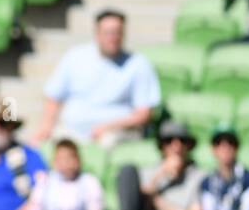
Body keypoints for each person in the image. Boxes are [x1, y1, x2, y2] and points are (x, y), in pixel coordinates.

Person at [32, 10, 161, 148]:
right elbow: (53, 97)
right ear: (97, 33)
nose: (113, 37)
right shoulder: (75, 57)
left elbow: (144, 113)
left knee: (106, 143)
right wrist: (45, 128)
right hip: (72, 131)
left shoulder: (138, 64)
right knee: (43, 147)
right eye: (108, 32)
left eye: (117, 32)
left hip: (115, 134)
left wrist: (107, 127)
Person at [117, 121, 204, 210]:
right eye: (169, 141)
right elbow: (139, 205)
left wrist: (158, 202)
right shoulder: (147, 172)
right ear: (161, 145)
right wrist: (160, 174)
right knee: (127, 172)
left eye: (182, 140)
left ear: (189, 145)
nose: (176, 146)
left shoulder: (199, 176)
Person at [19, 139, 104, 210]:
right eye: (60, 158)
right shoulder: (45, 180)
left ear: (78, 160)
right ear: (54, 161)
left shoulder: (90, 181)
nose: (65, 163)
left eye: (69, 158)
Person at [199, 127, 249, 210]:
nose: (225, 148)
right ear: (213, 149)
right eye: (219, 143)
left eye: (231, 143)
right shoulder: (206, 183)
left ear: (237, 147)